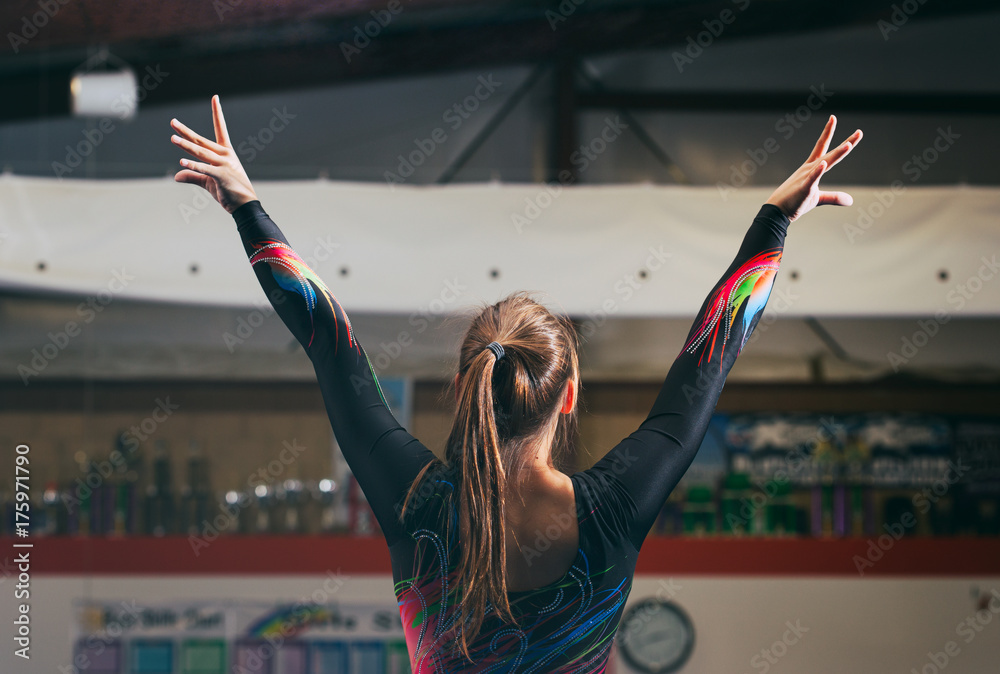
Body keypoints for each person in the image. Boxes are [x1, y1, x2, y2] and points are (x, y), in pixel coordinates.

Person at [170, 96, 862, 672]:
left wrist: (246, 205)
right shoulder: (614, 509)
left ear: (466, 379)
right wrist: (773, 223)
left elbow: (332, 348)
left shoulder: (418, 505)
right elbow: (707, 361)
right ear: (567, 396)